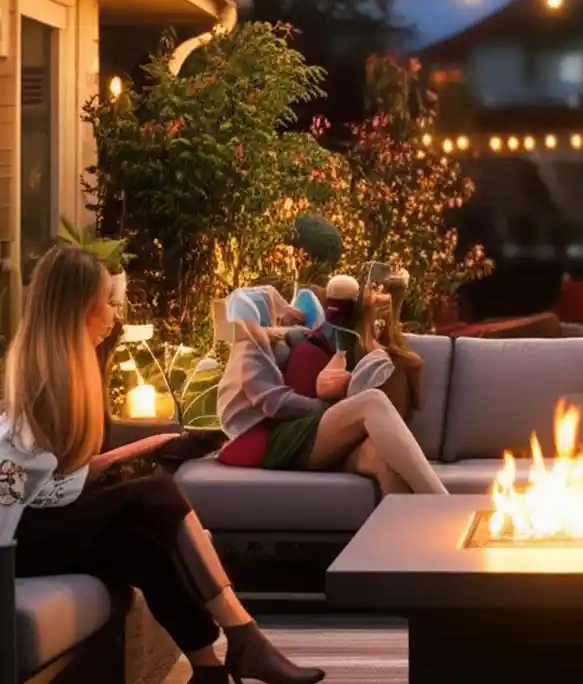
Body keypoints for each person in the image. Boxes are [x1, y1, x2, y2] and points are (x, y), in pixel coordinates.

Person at [0, 245, 324, 684]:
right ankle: (244, 637)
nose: (113, 316)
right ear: (79, 307)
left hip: (41, 524)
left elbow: (62, 471)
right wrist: (126, 456)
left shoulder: (72, 365)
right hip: (17, 541)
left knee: (145, 543)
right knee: (155, 495)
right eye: (107, 304)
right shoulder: (41, 378)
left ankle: (209, 671)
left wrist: (140, 448)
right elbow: (37, 489)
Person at [216, 280, 447, 497]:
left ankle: (408, 536)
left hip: (287, 435)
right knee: (371, 401)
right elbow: (274, 402)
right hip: (273, 441)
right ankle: (442, 504)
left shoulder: (273, 343)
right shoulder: (248, 347)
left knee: (378, 453)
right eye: (278, 315)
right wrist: (329, 409)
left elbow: (283, 315)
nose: (286, 322)